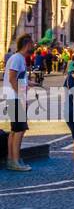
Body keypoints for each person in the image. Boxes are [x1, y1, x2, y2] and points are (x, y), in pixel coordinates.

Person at [3, 35, 33, 171]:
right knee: (19, 130)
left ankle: (11, 159)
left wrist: (29, 83)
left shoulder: (18, 58)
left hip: (13, 97)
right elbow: (12, 78)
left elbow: (18, 78)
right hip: (15, 98)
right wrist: (22, 97)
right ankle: (15, 161)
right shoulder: (17, 59)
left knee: (15, 130)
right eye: (32, 44)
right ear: (27, 45)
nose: (34, 47)